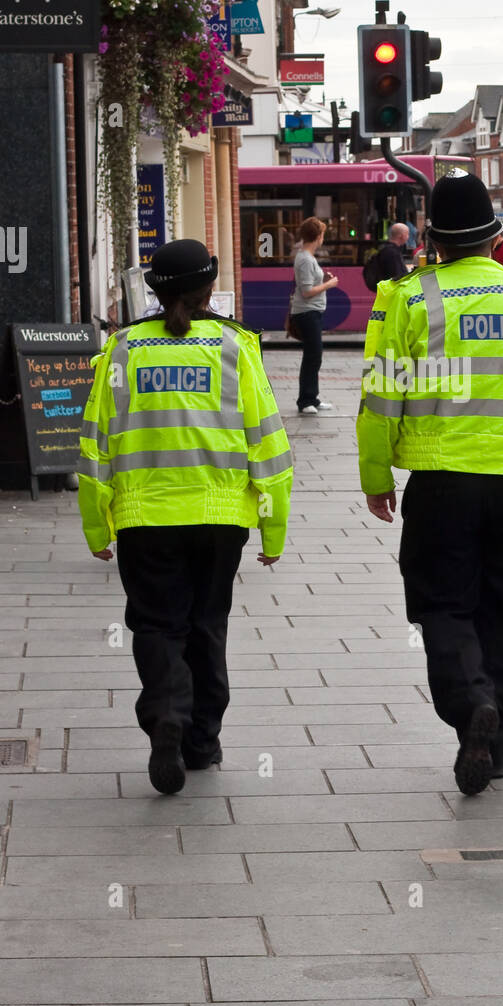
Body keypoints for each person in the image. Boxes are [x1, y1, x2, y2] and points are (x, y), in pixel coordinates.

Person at [357, 172, 503, 795]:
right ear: (496, 238)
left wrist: (376, 475)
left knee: (442, 603)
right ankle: (498, 730)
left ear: (433, 240)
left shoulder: (411, 302)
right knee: (502, 604)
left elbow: (381, 396)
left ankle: (471, 710)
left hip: (442, 482)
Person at [77, 239, 293, 794]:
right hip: (220, 521)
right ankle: (201, 740)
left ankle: (166, 715)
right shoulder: (234, 348)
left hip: (145, 519)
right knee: (206, 623)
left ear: (155, 291)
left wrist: (97, 526)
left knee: (155, 623)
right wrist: (273, 527)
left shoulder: (122, 351)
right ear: (207, 290)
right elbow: (268, 445)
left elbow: (95, 445)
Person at [291, 216, 338, 414]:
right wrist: (329, 284)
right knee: (312, 356)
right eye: (322, 235)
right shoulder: (304, 260)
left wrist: (323, 279)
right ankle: (306, 401)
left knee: (314, 356)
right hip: (306, 313)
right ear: (318, 236)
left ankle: (313, 398)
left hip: (313, 312)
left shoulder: (307, 259)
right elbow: (306, 292)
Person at [365, 223, 410, 290]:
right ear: (401, 235)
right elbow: (397, 275)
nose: (408, 237)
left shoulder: (385, 249)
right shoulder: (392, 253)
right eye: (407, 234)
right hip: (392, 292)